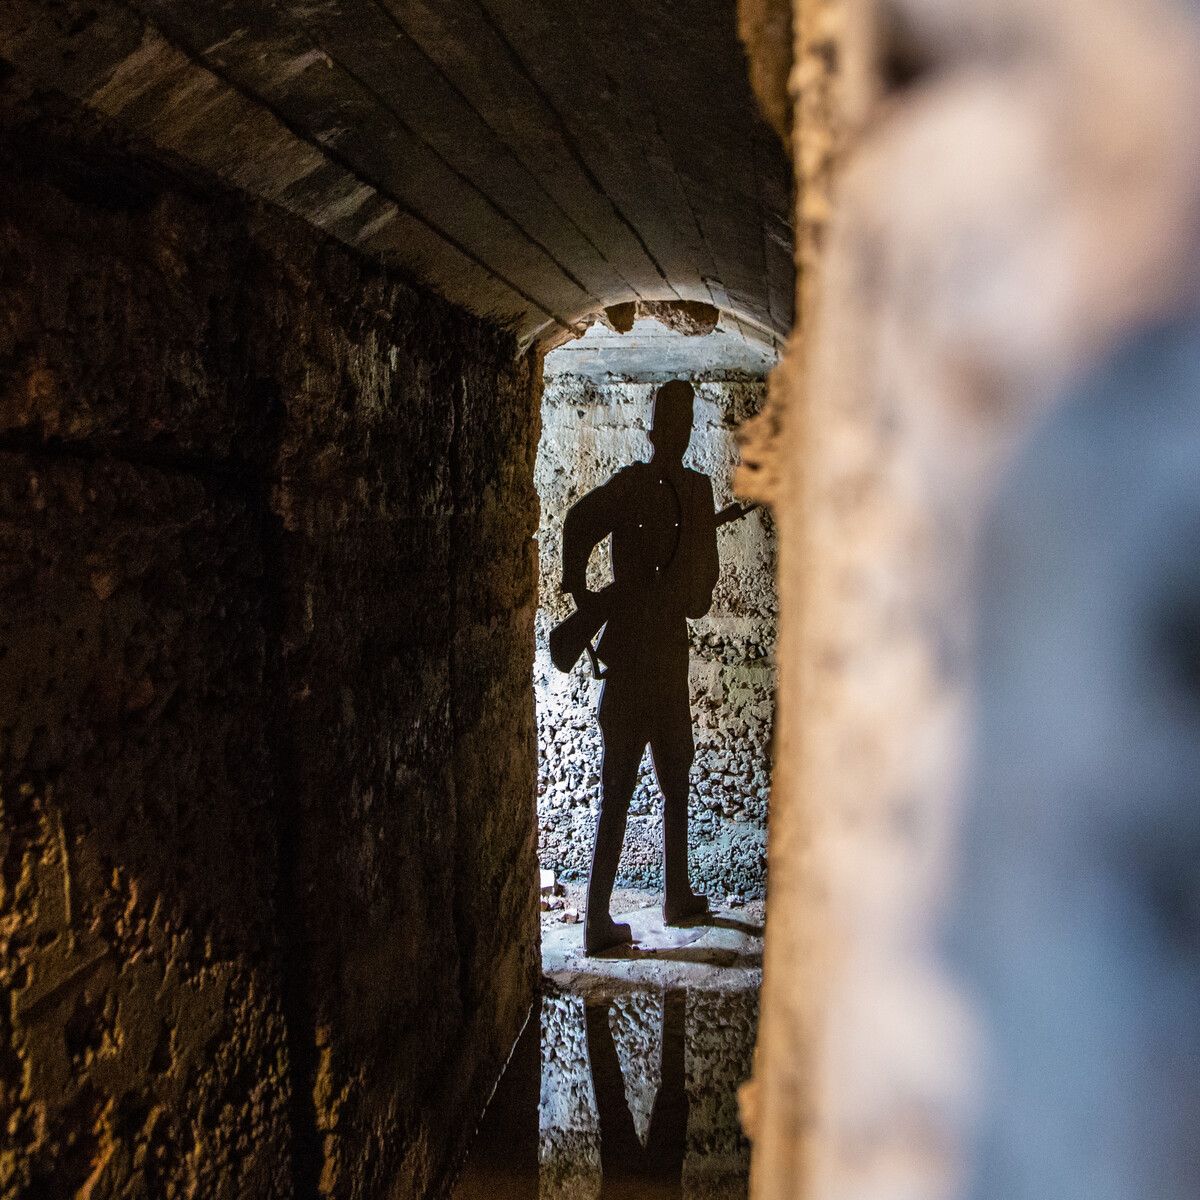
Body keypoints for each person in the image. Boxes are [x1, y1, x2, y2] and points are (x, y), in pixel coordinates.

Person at [561, 379, 719, 953]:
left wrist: (585, 595)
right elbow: (700, 600)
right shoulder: (695, 493)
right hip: (657, 657)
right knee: (656, 781)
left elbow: (577, 525)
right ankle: (649, 903)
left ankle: (622, 909)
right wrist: (591, 601)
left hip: (635, 656)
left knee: (635, 786)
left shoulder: (635, 486)